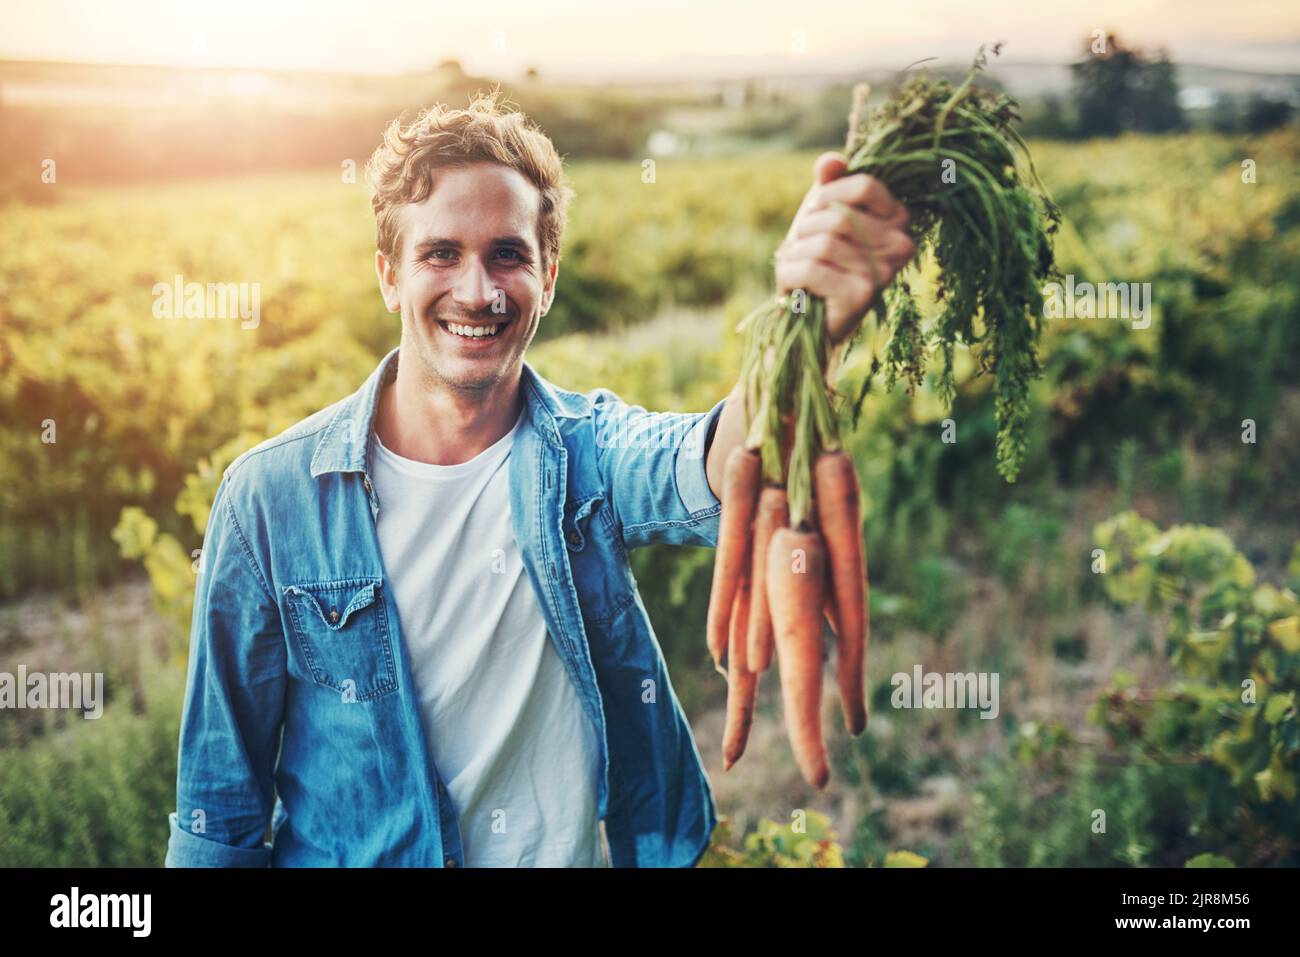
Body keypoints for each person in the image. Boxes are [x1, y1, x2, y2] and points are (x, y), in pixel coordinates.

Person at [164, 91, 913, 867]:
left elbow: (718, 461)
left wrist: (808, 318)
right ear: (389, 275)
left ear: (548, 277)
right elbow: (219, 805)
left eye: (508, 255)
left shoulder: (588, 454)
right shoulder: (270, 499)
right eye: (441, 253)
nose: (478, 291)